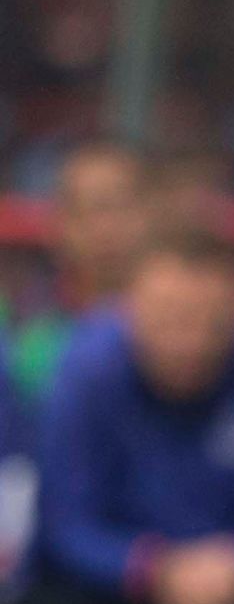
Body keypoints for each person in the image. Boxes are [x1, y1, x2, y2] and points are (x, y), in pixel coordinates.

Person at [23, 231, 234, 604]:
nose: (189, 342)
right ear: (128, 308)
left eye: (212, 321)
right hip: (117, 595)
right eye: (169, 319)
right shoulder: (86, 369)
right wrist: (153, 571)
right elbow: (65, 526)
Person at [7, 138, 150, 406]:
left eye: (120, 206)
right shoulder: (26, 335)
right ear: (56, 225)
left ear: (152, 214)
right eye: (85, 210)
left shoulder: (189, 330)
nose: (105, 228)